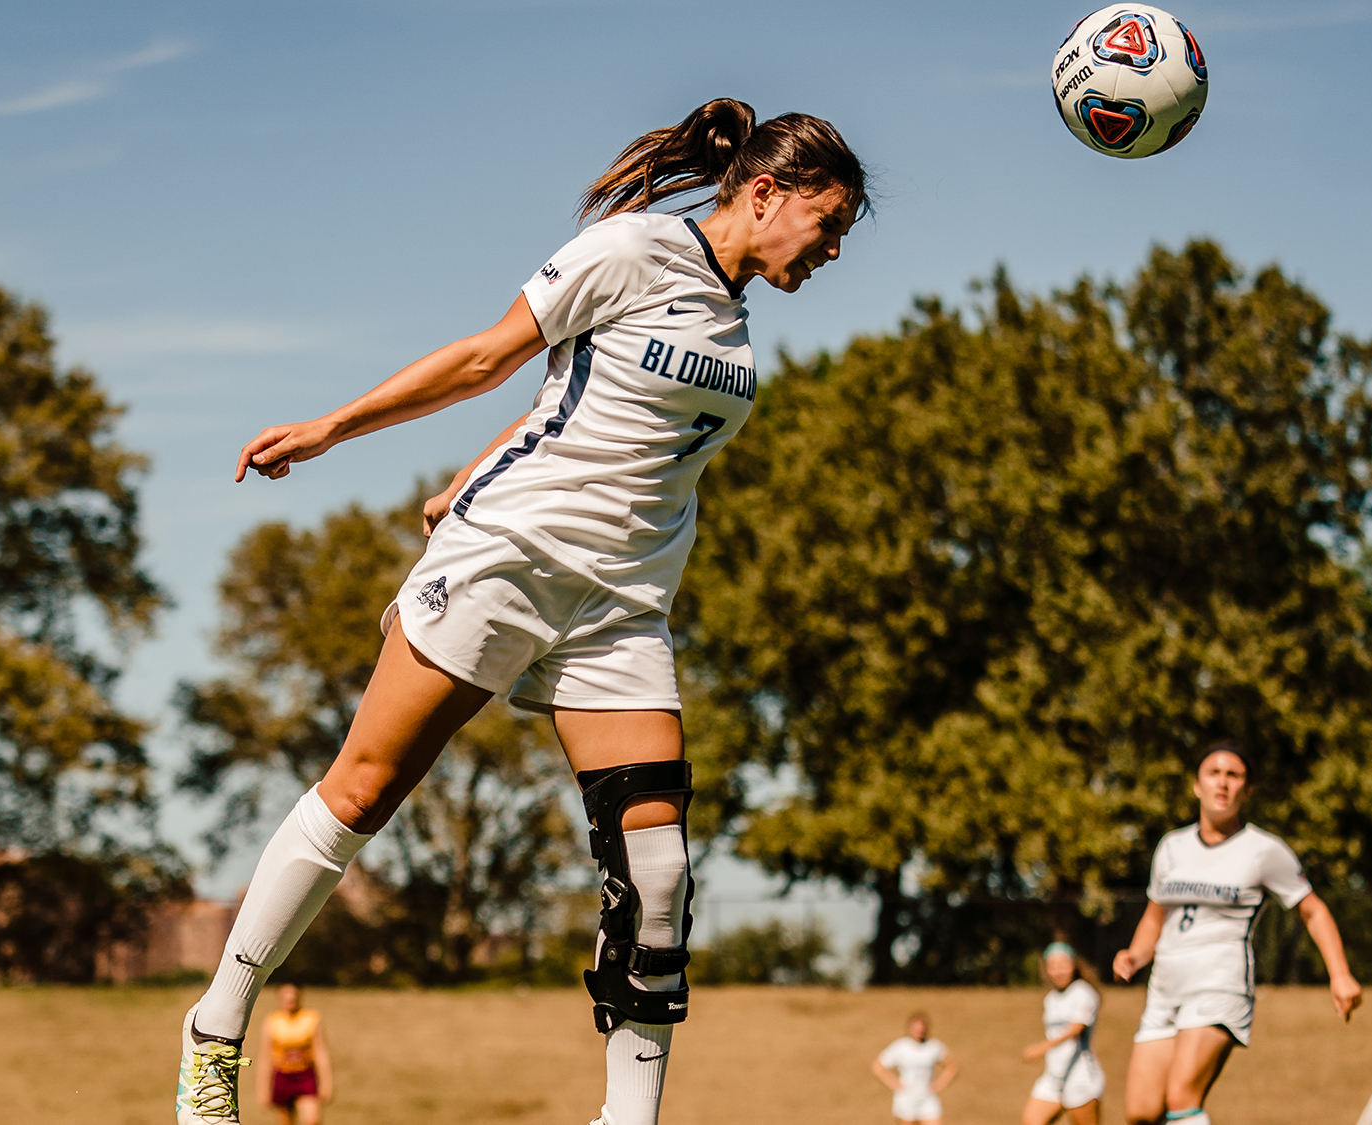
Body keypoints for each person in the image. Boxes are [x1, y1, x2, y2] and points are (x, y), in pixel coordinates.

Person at [172, 96, 868, 1125]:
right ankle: (216, 1028)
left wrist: (479, 461)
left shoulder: (731, 316)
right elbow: (485, 356)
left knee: (659, 869)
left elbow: (587, 399)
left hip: (623, 604)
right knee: (362, 791)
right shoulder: (627, 249)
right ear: (765, 192)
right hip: (509, 559)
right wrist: (332, 428)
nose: (832, 251)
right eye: (828, 224)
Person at [1111, 743, 1363, 1125]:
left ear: (1247, 791)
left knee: (1181, 1096)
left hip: (1220, 983)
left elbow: (1313, 910)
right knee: (1141, 1113)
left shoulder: (1263, 850)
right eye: (1214, 773)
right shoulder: (1171, 847)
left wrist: (1340, 974)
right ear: (1197, 785)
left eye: (1234, 775)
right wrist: (1134, 955)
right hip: (1164, 988)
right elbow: (1154, 916)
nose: (1223, 782)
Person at [1021, 943, 1104, 1125]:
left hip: (1080, 1077)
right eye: (1053, 966)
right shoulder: (1050, 999)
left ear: (1073, 965)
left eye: (1063, 965)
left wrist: (1042, 1047)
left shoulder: (1083, 992)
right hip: (1053, 1078)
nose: (1058, 971)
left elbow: (1076, 1028)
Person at [258, 984, 335, 1125]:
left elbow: (320, 1052)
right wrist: (263, 1090)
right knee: (286, 1121)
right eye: (286, 999)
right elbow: (265, 1058)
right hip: (282, 1075)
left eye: (293, 998)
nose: (290, 1002)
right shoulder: (272, 1021)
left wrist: (326, 1083)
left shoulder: (311, 1018)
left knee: (313, 1120)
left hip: (305, 1075)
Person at [872, 1010, 958, 1124]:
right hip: (907, 1099)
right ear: (909, 1028)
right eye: (916, 1028)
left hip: (927, 1098)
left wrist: (939, 1085)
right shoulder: (900, 1047)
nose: (919, 1031)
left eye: (921, 1028)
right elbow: (877, 1067)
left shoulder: (934, 1046)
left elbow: (952, 1067)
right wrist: (894, 1083)